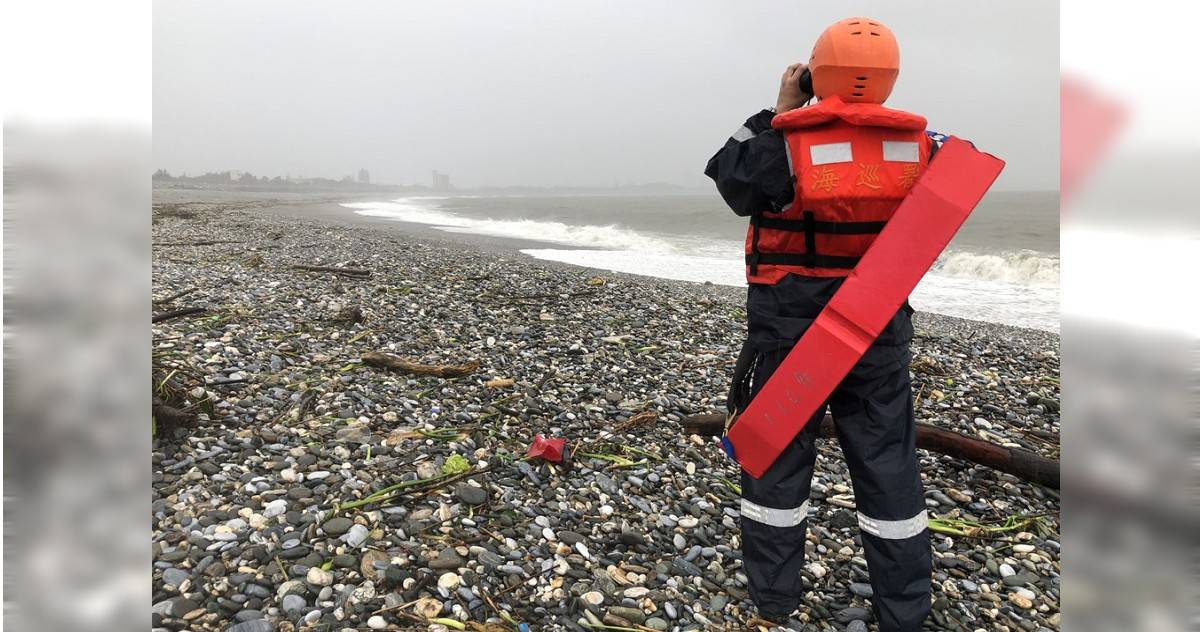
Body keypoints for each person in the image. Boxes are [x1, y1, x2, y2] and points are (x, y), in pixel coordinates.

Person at [704, 17, 940, 631]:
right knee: (889, 461)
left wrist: (779, 109)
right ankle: (905, 610)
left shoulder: (782, 145)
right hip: (876, 328)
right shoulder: (926, 148)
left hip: (788, 328)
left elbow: (727, 173)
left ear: (817, 71)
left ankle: (775, 601)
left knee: (777, 455)